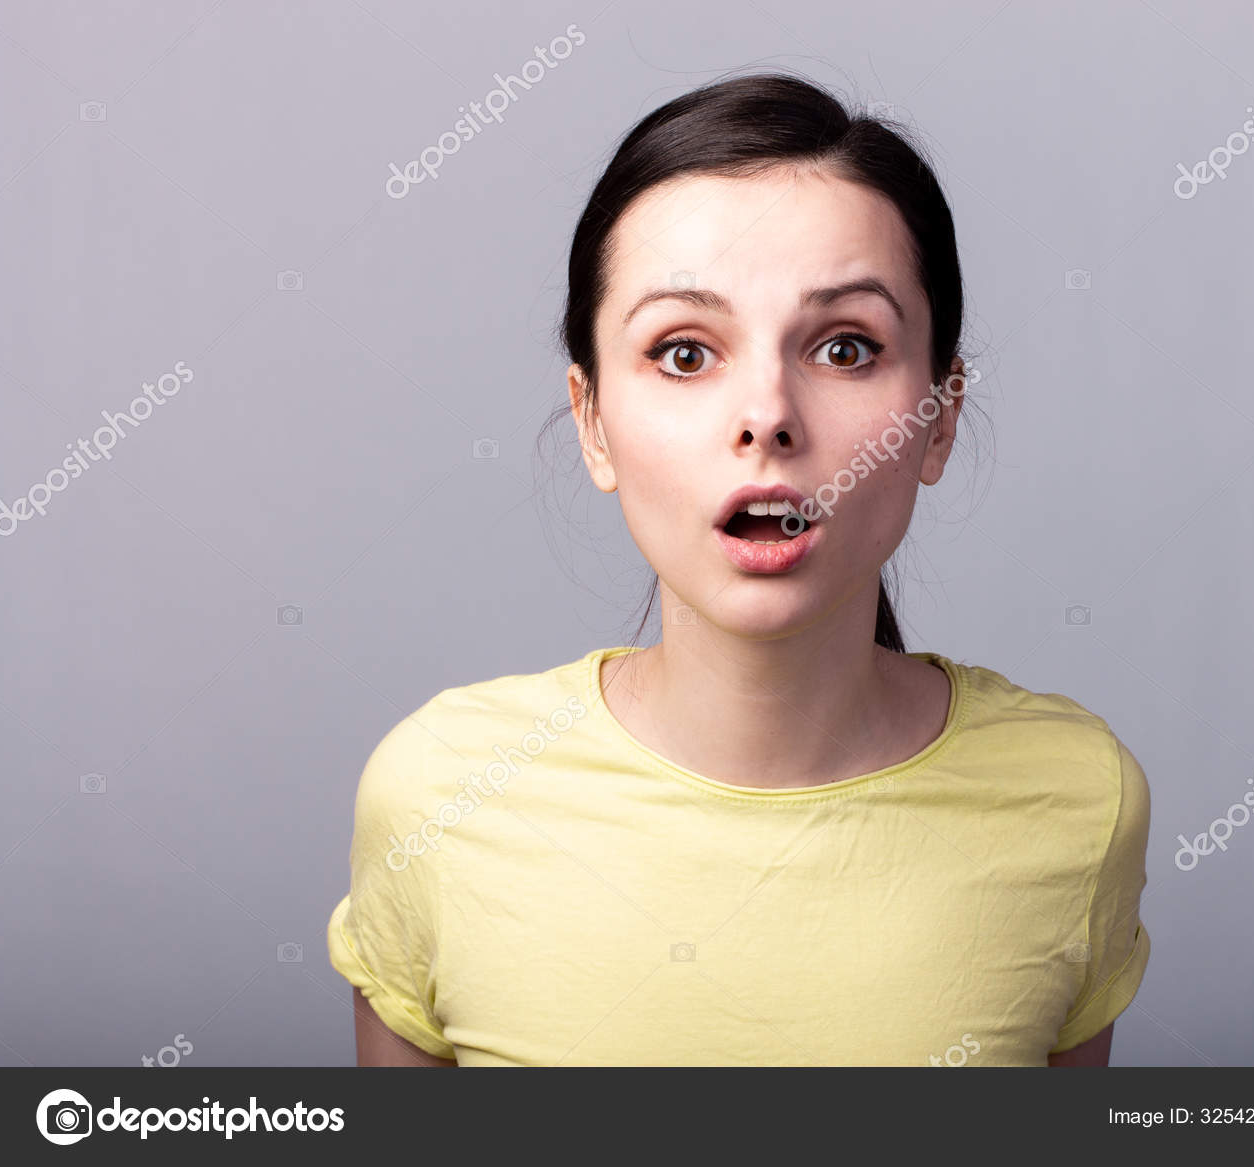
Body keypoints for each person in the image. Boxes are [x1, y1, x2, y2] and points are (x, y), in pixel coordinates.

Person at [327, 71, 1151, 1067]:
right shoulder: (438, 794)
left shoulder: (1073, 797)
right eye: (683, 354)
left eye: (846, 347)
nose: (768, 414)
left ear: (941, 418)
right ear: (592, 422)